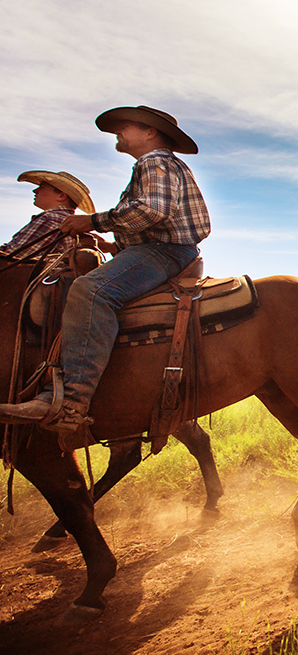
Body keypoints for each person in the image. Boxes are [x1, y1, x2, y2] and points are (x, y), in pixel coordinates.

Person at [0, 105, 210, 427]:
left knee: (90, 290)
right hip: (161, 249)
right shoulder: (157, 165)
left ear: (150, 132)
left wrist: (93, 221)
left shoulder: (154, 162)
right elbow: (152, 220)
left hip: (164, 253)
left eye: (125, 127)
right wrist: (115, 246)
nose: (118, 133)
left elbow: (152, 211)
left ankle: (71, 400)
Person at [1, 171, 96, 259]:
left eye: (42, 187)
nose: (35, 190)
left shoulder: (50, 219)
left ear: (61, 196)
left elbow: (12, 255)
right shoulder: (71, 223)